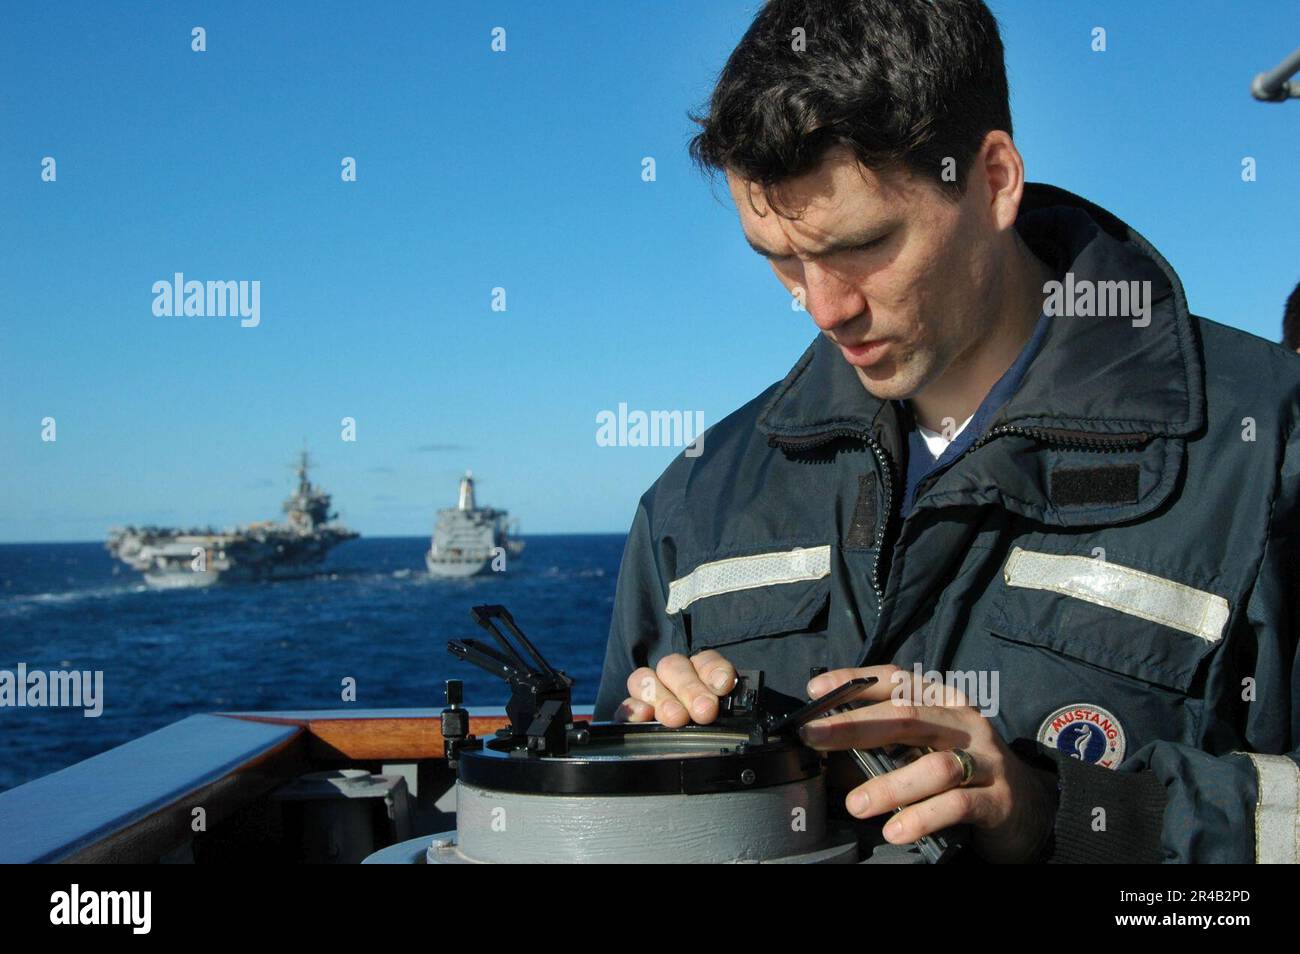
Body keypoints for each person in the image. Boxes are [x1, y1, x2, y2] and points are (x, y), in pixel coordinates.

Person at [593, 0, 1300, 863]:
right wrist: (657, 745)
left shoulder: (1271, 448)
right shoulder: (693, 502)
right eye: (778, 256)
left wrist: (1062, 813)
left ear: (994, 178)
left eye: (864, 244)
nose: (820, 307)